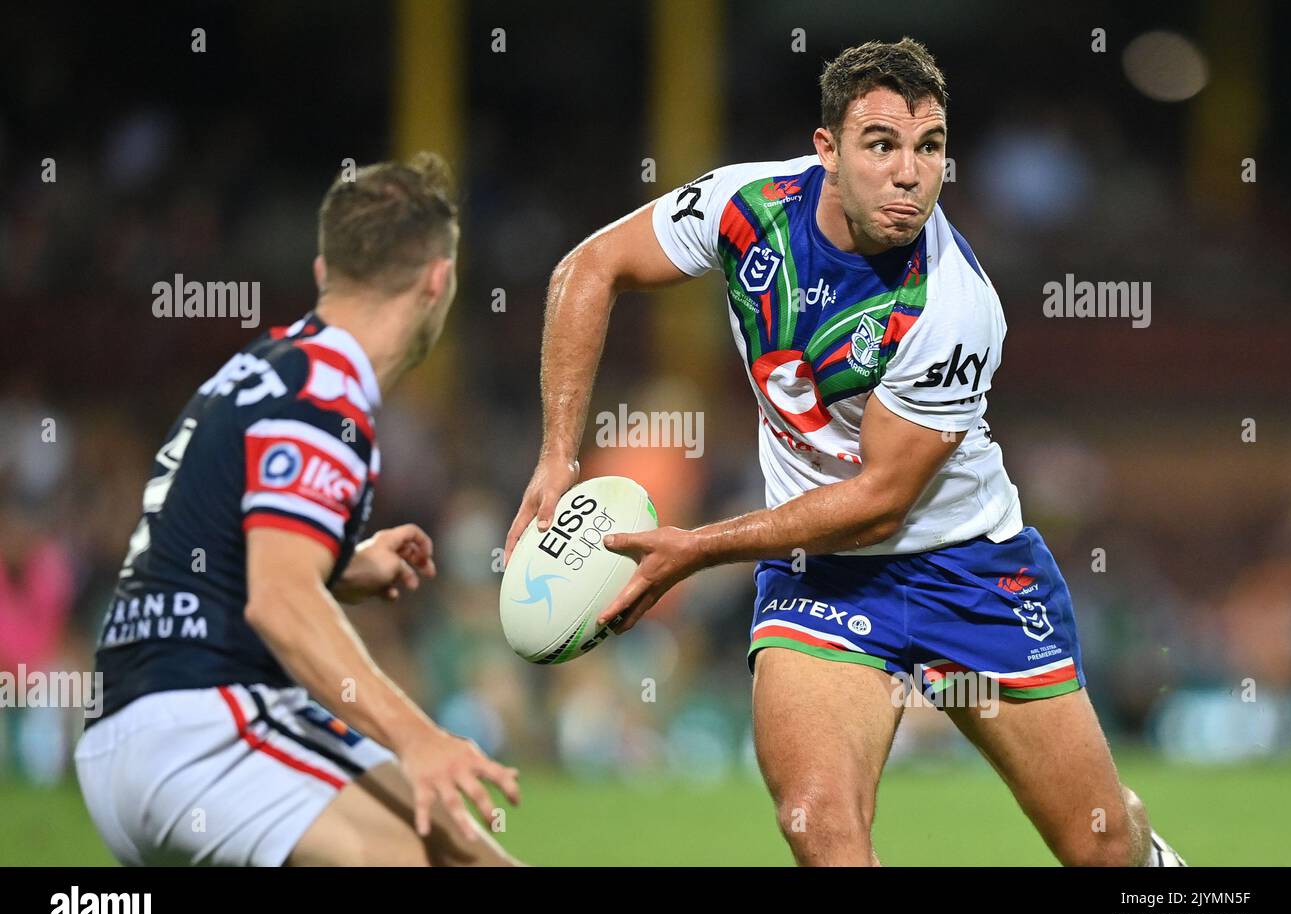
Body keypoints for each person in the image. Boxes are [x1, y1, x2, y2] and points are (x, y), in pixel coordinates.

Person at [507, 38, 1185, 867]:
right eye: (882, 144)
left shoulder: (953, 304)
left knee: (1103, 850)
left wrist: (697, 549)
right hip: (817, 575)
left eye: (930, 147)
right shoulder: (745, 205)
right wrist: (556, 457)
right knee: (818, 828)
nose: (910, 172)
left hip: (967, 570)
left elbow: (878, 504)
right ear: (826, 149)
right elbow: (590, 268)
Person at [76, 153, 520, 866]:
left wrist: (340, 565)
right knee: (446, 860)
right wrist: (419, 738)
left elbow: (205, 557)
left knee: (464, 854)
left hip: (129, 730)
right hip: (206, 722)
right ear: (440, 281)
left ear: (323, 271)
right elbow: (277, 603)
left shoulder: (260, 367)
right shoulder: (327, 397)